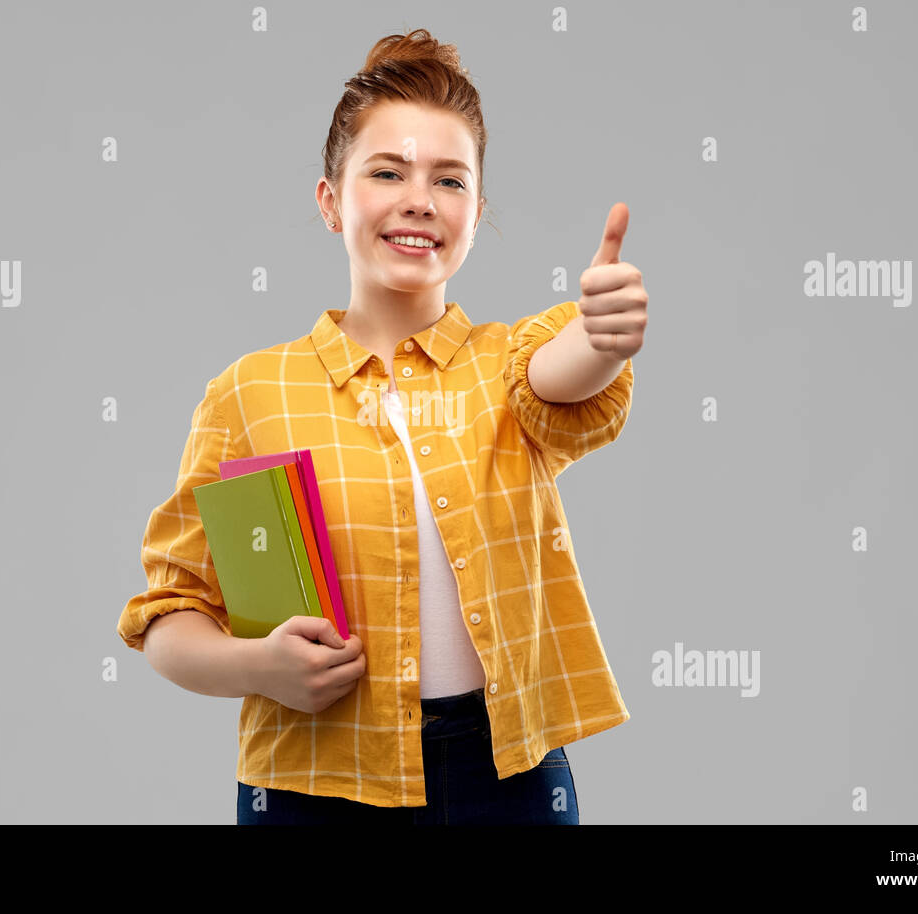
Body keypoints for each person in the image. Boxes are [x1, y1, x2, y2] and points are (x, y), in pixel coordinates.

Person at [117, 28, 649, 825]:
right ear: (331, 200)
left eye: (450, 180)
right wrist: (259, 665)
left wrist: (602, 333)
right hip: (314, 779)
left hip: (510, 773)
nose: (419, 199)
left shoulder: (503, 365)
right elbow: (167, 615)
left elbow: (562, 370)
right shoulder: (252, 394)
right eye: (387, 172)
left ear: (476, 211)